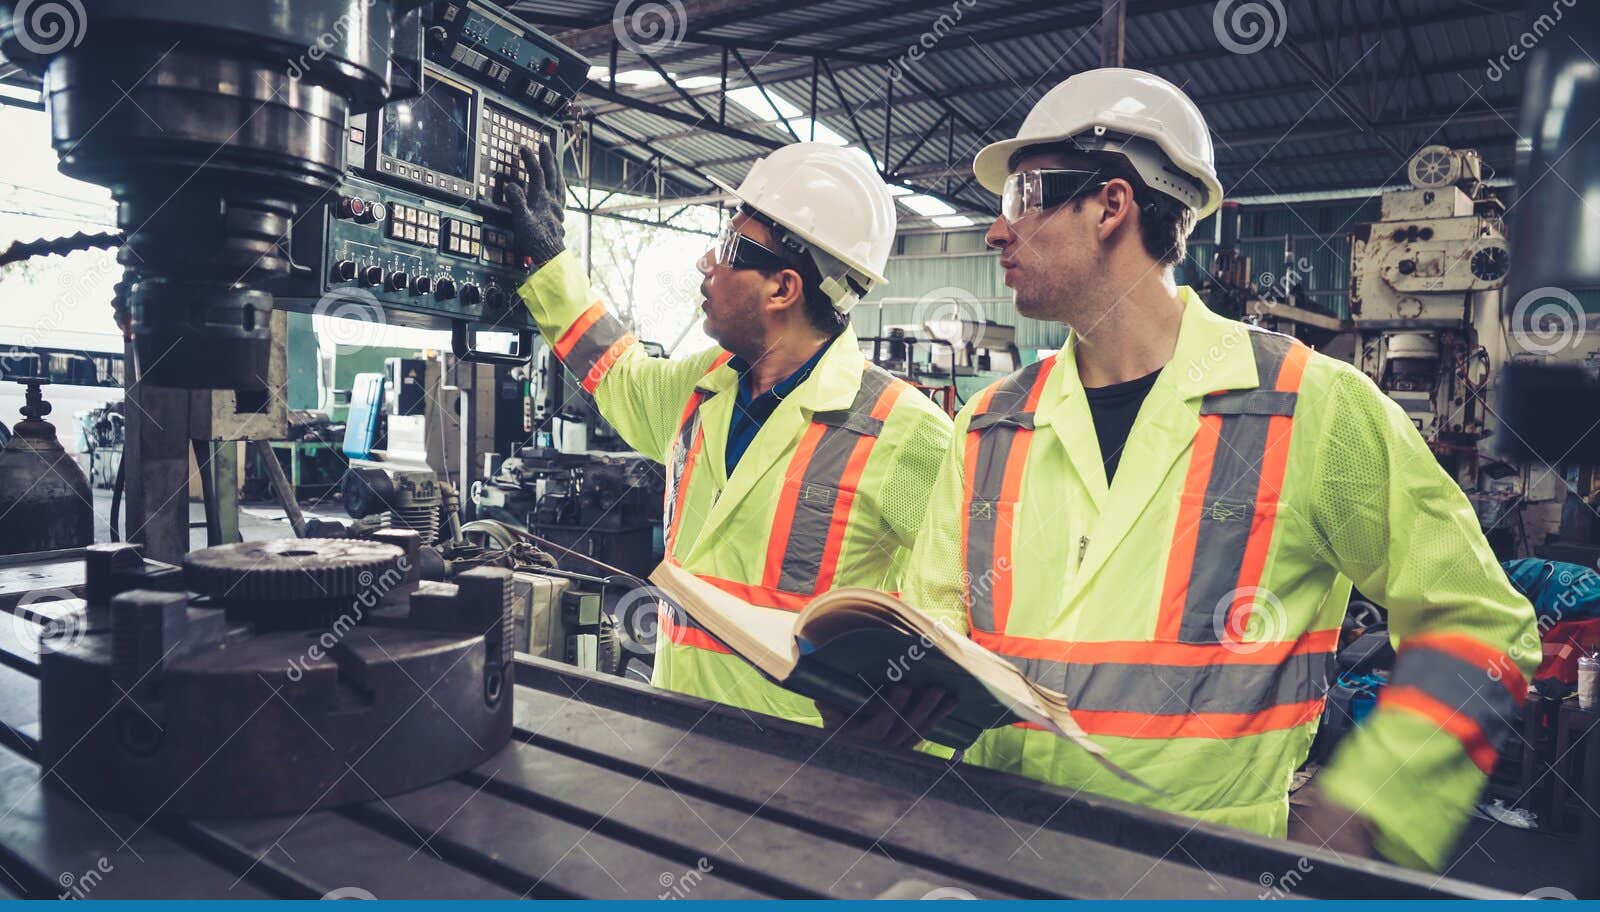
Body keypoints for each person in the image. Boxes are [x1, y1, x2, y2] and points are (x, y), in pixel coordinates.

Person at [889, 67, 1538, 871]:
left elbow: (1476, 619)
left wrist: (1374, 807)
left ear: (1110, 205)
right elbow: (932, 631)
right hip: (993, 853)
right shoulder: (988, 421)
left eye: (1022, 198)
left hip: (1206, 881)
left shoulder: (1310, 406)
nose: (996, 231)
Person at [506, 139, 953, 728]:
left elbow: (957, 621)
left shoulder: (906, 431)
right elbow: (615, 372)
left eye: (729, 247)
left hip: (802, 771)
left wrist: (904, 733)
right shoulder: (704, 387)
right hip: (673, 731)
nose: (706, 263)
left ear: (783, 288)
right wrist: (551, 262)